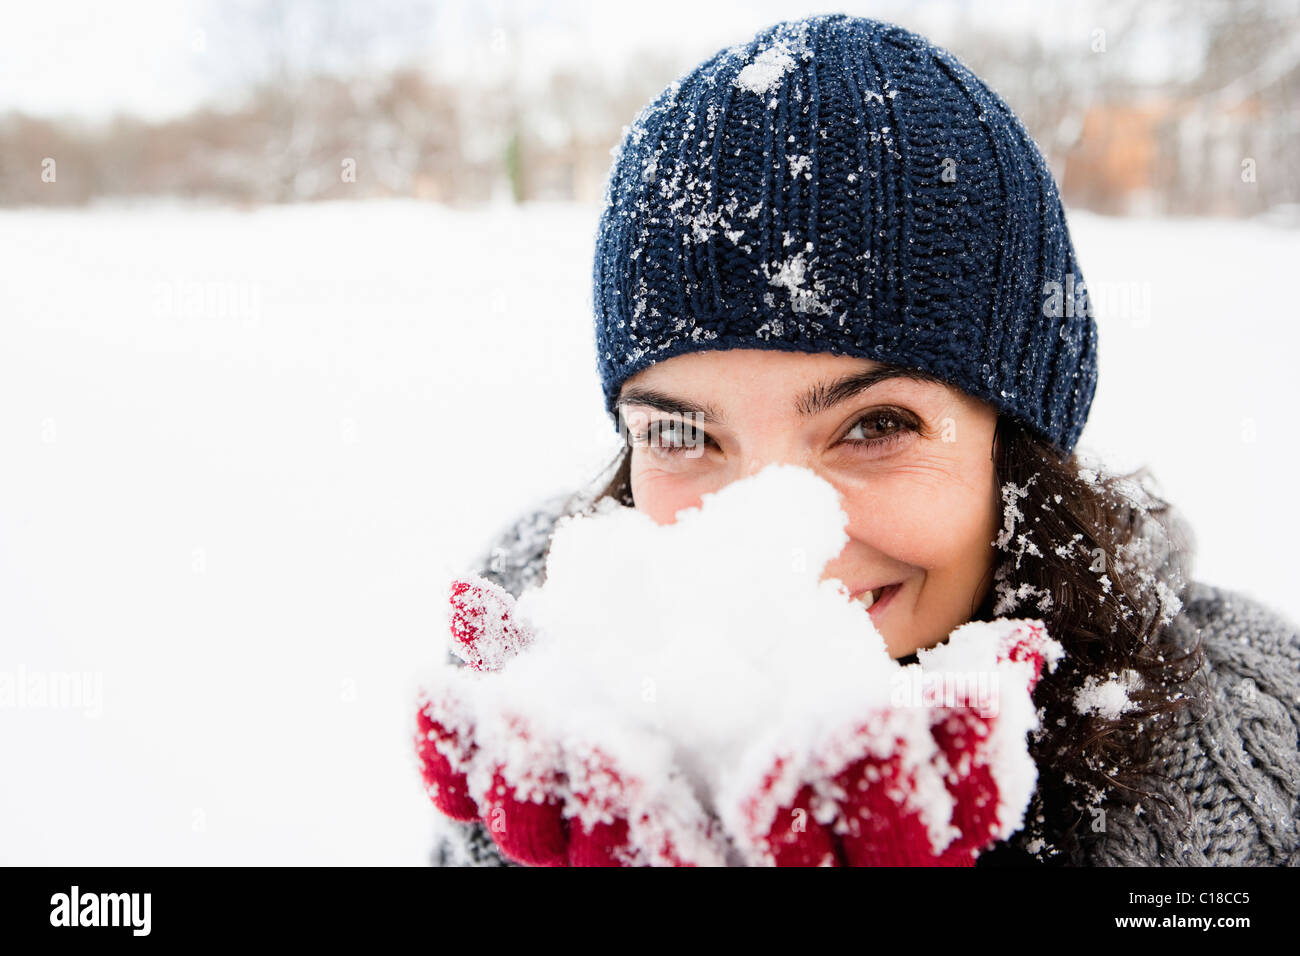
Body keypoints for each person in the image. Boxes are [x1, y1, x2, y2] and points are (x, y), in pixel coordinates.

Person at [425, 13, 1300, 866]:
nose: (781, 553)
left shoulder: (1259, 768)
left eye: (875, 426)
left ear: (1021, 450)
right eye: (681, 433)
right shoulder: (537, 707)